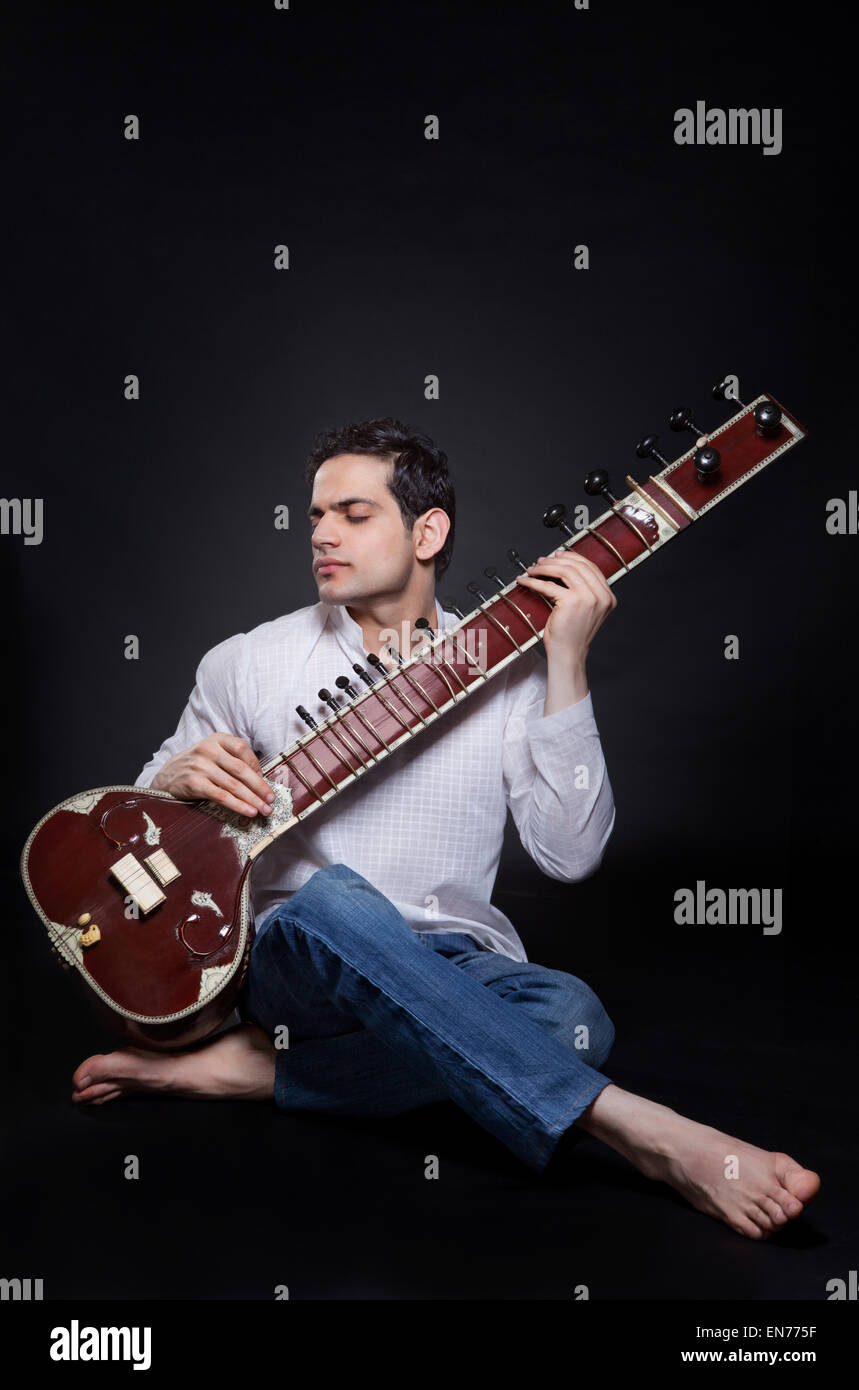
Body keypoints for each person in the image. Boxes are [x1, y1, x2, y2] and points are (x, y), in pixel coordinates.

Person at [72, 418, 820, 1240]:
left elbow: (570, 856)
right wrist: (172, 779)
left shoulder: (504, 668)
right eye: (315, 514)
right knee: (331, 900)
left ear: (428, 530)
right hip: (301, 960)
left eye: (353, 514)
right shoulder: (247, 661)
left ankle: (263, 1076)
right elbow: (134, 816)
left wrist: (564, 663)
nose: (319, 533)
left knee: (575, 1018)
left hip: (451, 962)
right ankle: (645, 1130)